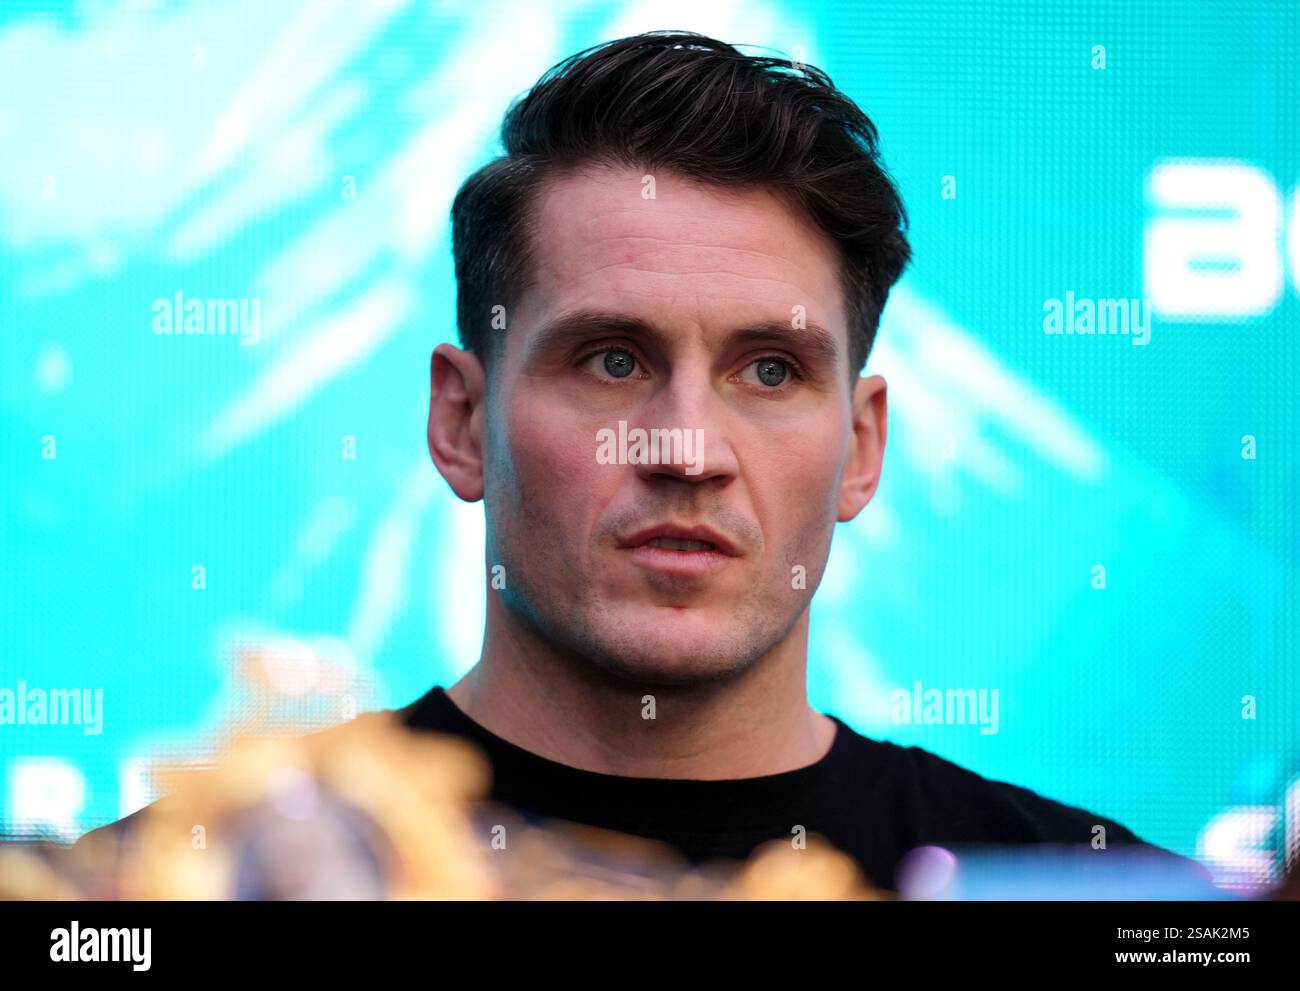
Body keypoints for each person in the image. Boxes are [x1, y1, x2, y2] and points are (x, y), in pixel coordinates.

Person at [80, 30, 1194, 895]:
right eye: (612, 360)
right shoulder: (175, 890)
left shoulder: (1108, 906)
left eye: (768, 371)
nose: (684, 450)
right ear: (462, 420)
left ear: (861, 448)